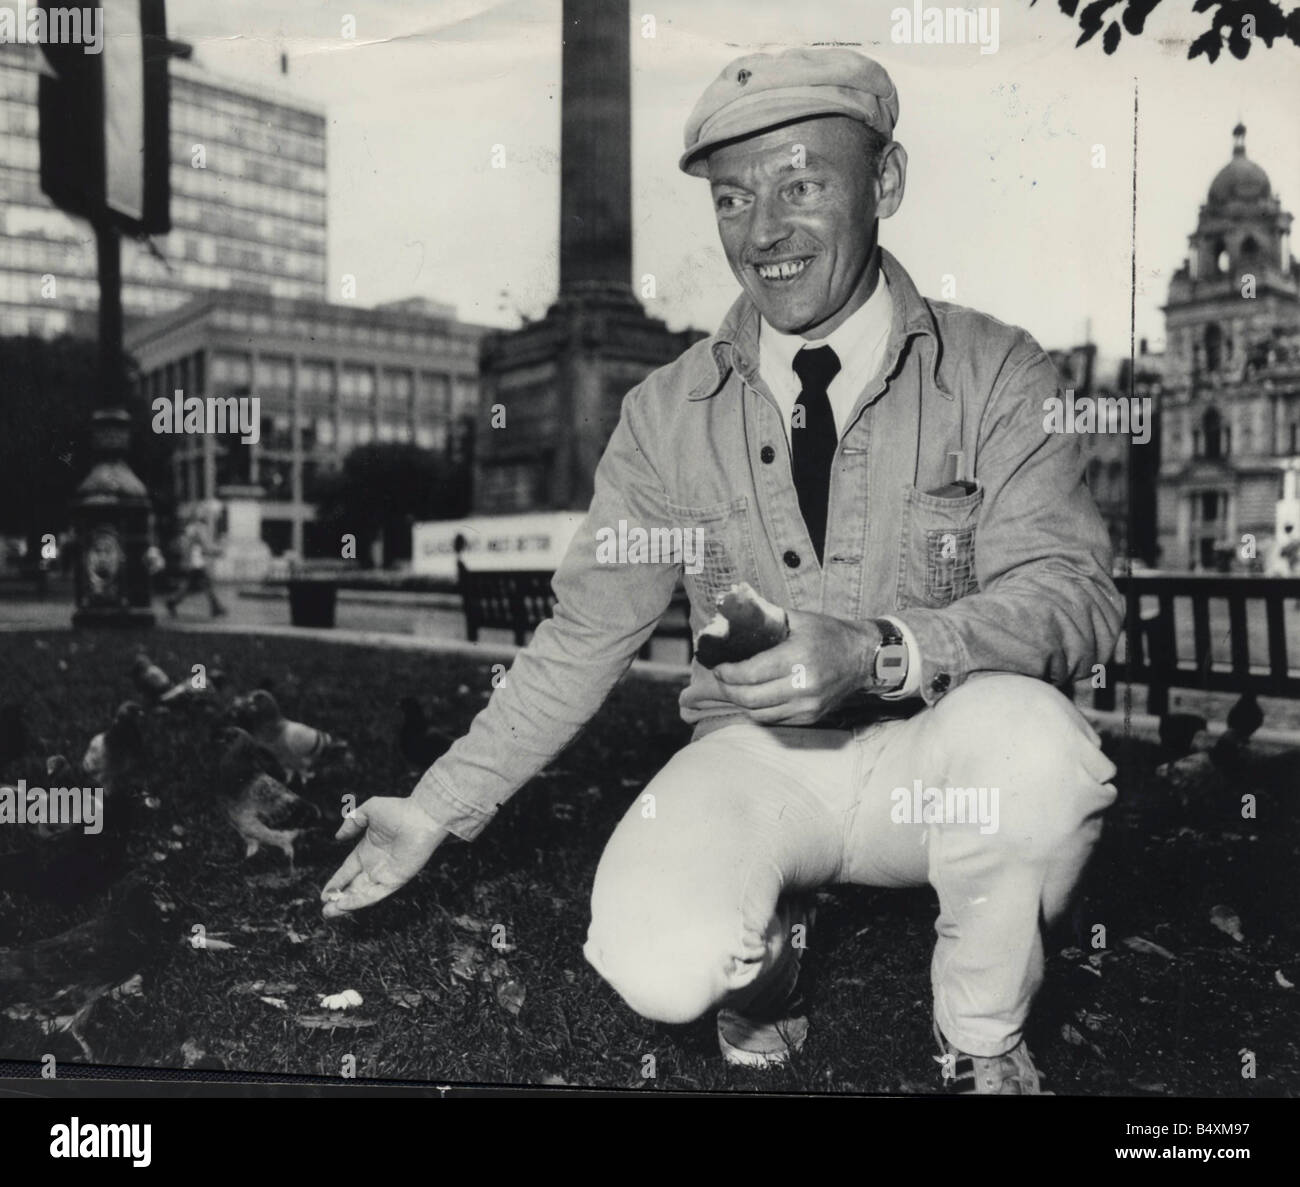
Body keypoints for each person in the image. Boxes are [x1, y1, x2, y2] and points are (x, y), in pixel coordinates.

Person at [322, 48, 1122, 1094]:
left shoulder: (995, 370)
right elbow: (582, 636)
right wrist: (434, 804)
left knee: (1043, 759)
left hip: (938, 751)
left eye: (801, 185)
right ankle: (769, 966)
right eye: (735, 197)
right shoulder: (663, 413)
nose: (764, 233)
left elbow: (1075, 594)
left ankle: (979, 1033)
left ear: (883, 183)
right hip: (758, 759)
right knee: (655, 959)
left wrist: (887, 650)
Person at [165, 512, 226, 618]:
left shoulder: (190, 528)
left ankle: (173, 602)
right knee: (204, 584)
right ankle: (216, 608)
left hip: (191, 561)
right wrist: (217, 551)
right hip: (196, 562)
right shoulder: (199, 528)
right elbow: (205, 546)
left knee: (193, 586)